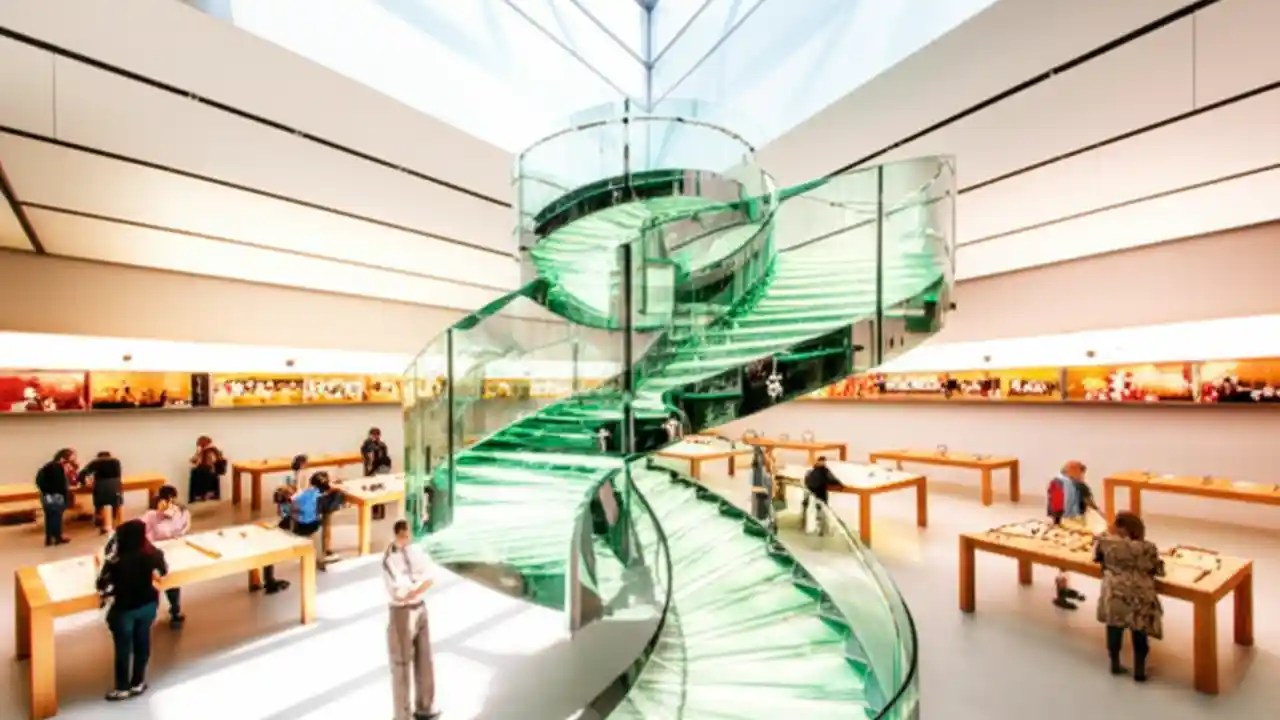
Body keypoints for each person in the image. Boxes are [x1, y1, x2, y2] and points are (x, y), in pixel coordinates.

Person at [96, 519, 167, 701]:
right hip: (148, 605)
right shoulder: (152, 554)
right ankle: (138, 682)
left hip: (124, 610)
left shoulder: (116, 560)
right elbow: (164, 570)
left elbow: (102, 583)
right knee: (142, 643)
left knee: (123, 648)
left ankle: (122, 687)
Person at [1095, 511, 1164, 681]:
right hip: (1139, 595)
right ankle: (1139, 670)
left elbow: (1098, 559)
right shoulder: (1148, 548)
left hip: (1114, 594)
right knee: (1139, 630)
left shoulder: (1104, 544)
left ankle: (1115, 664)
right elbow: (1158, 570)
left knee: (1114, 628)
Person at [383, 519, 438, 720]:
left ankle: (426, 706)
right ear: (397, 535)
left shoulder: (416, 551)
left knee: (425, 658)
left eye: (408, 535)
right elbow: (400, 592)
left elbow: (431, 574)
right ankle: (402, 715)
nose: (406, 539)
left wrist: (417, 588)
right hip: (402, 613)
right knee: (401, 666)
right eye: (403, 536)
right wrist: (419, 586)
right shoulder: (390, 559)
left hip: (420, 607)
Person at [257, 474, 325, 594]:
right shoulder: (305, 501)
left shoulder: (289, 511)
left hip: (290, 529)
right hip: (298, 531)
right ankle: (317, 564)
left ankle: (268, 580)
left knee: (269, 548)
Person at [1047, 460, 1098, 610]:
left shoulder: (1063, 483)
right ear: (1072, 471)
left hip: (1076, 523)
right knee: (1063, 558)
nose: (1083, 476)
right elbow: (1057, 505)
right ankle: (1061, 593)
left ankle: (1065, 588)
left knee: (1066, 559)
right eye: (1081, 473)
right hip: (1068, 525)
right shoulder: (1068, 484)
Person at [140, 486, 191, 628]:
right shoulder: (151, 515)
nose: (171, 504)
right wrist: (159, 514)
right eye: (168, 500)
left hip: (172, 551)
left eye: (173, 500)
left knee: (172, 581)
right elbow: (143, 531)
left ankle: (175, 611)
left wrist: (180, 530)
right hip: (154, 552)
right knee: (153, 585)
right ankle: (149, 615)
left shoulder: (180, 511)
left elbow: (184, 527)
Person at [36, 448, 76, 546]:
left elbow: (39, 480)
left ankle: (49, 539)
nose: (74, 459)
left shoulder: (48, 466)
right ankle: (57, 538)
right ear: (64, 457)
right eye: (72, 456)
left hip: (46, 495)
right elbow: (62, 483)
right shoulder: (58, 467)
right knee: (56, 517)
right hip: (56, 495)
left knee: (49, 517)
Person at [79, 451, 124, 535]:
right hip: (115, 484)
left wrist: (85, 483)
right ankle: (116, 524)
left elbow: (82, 474)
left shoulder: (96, 462)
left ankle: (103, 525)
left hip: (101, 485)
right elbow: (119, 475)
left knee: (101, 505)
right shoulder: (116, 461)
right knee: (116, 504)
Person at [803, 456, 842, 536]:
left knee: (813, 511)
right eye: (822, 461)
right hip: (820, 494)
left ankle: (813, 529)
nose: (822, 463)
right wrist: (839, 484)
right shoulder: (824, 471)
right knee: (822, 511)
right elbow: (831, 479)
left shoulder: (812, 471)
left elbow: (807, 480)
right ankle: (821, 530)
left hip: (813, 493)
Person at [362, 427, 393, 520]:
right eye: (372, 434)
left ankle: (380, 513)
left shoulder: (381, 445)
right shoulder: (367, 445)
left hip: (378, 471)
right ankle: (375, 512)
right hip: (372, 471)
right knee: (373, 491)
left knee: (378, 491)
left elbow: (381, 460)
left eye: (376, 434)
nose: (374, 436)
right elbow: (365, 455)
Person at [188, 436, 225, 502]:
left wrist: (199, 455)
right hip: (204, 470)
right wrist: (197, 454)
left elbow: (213, 461)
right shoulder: (202, 450)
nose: (198, 444)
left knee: (198, 473)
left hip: (210, 471)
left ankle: (201, 495)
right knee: (195, 472)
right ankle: (198, 495)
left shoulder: (211, 450)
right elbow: (195, 460)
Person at [749, 446, 777, 533]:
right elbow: (755, 488)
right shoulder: (758, 471)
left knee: (767, 518)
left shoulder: (763, 469)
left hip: (764, 501)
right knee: (764, 518)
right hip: (762, 502)